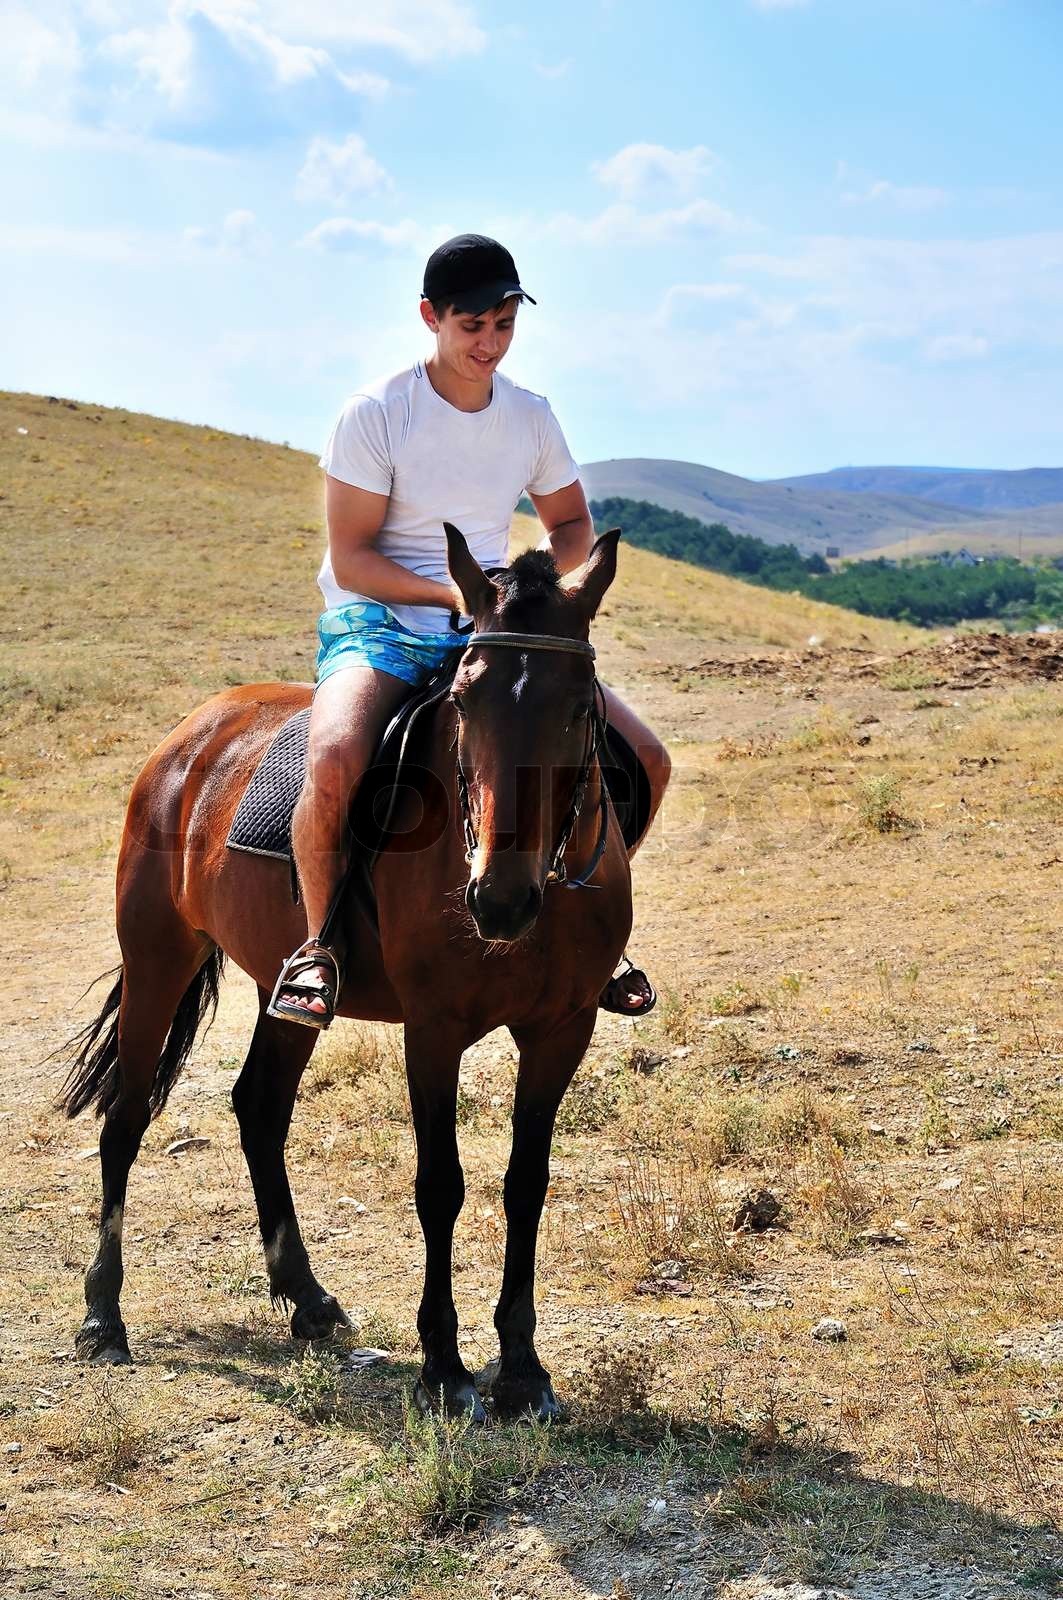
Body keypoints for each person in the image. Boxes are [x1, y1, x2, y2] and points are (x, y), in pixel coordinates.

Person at [269, 234, 670, 1028]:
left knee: (647, 759)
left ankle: (588, 932)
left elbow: (569, 520)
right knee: (337, 754)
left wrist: (538, 599)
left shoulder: (530, 417)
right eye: (470, 326)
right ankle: (316, 950)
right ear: (430, 318)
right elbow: (350, 558)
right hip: (378, 622)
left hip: (492, 630)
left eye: (503, 325)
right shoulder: (377, 412)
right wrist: (459, 599)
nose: (488, 344)